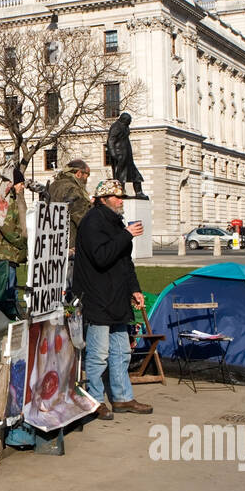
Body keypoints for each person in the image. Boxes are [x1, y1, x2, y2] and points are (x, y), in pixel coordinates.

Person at [72, 178, 152, 418]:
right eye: (117, 197)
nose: (121, 201)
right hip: (97, 298)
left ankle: (123, 397)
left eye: (122, 197)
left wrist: (134, 289)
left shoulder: (116, 222)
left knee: (121, 351)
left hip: (117, 297)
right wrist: (126, 234)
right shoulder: (92, 222)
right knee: (98, 354)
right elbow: (102, 257)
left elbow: (124, 262)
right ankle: (95, 400)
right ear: (103, 200)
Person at [0, 169, 28, 318]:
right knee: (6, 295)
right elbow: (8, 227)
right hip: (5, 254)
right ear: (13, 183)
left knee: (8, 293)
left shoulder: (9, 197)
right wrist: (23, 242)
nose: (22, 186)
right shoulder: (5, 199)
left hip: (7, 255)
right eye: (21, 183)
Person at [48, 159, 92, 253]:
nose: (87, 179)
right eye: (87, 175)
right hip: (71, 246)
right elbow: (83, 219)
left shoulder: (52, 186)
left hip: (52, 243)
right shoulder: (73, 189)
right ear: (79, 173)